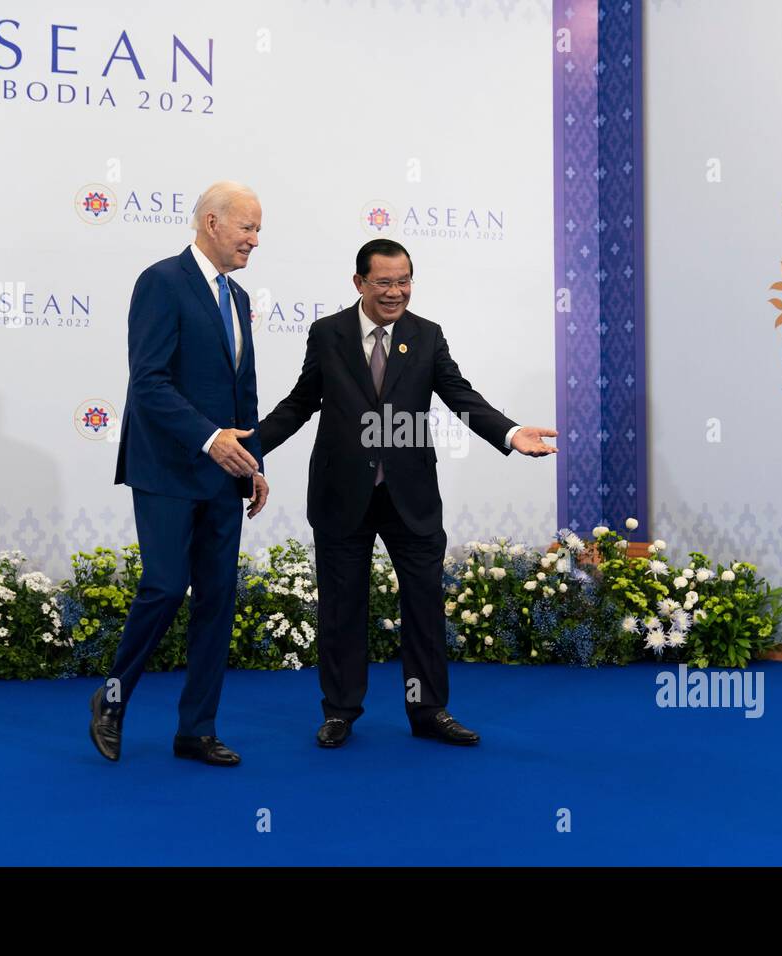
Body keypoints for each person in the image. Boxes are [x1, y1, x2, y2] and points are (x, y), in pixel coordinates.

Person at [259, 238, 557, 748]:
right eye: (384, 282)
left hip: (410, 495)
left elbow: (460, 396)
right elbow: (302, 402)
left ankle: (429, 711)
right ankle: (341, 712)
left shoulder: (426, 335)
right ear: (359, 283)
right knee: (341, 609)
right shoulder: (327, 333)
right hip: (340, 492)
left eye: (404, 281)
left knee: (423, 607)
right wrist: (248, 447)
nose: (396, 292)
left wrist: (508, 434)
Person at [89, 181, 270, 767]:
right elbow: (149, 382)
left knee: (217, 598)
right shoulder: (161, 281)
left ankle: (197, 729)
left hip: (223, 476)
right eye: (248, 228)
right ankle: (111, 700)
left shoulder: (238, 298)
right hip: (167, 468)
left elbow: (243, 389)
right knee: (165, 587)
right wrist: (210, 438)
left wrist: (254, 462)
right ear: (213, 223)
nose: (255, 241)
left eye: (259, 230)